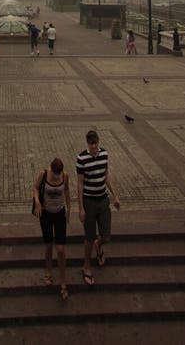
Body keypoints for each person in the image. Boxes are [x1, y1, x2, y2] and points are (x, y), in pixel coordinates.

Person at [77, 129, 120, 286]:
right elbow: (80, 184)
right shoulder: (81, 158)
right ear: (88, 143)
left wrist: (115, 195)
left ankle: (99, 245)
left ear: (98, 142)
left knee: (106, 236)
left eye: (96, 144)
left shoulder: (104, 154)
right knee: (89, 238)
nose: (94, 147)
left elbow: (106, 175)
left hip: (103, 199)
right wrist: (81, 208)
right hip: (89, 201)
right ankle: (86, 266)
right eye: (91, 144)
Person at [33, 157, 71, 301]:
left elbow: (66, 190)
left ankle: (63, 280)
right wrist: (37, 202)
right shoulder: (43, 174)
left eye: (58, 174)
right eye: (55, 173)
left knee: (60, 249)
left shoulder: (65, 176)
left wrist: (69, 208)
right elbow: (36, 188)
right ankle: (48, 271)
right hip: (46, 214)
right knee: (48, 245)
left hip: (60, 213)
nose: (56, 176)